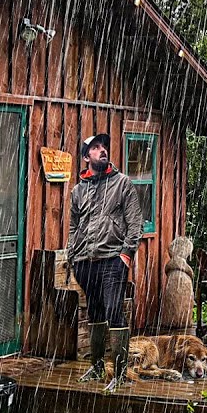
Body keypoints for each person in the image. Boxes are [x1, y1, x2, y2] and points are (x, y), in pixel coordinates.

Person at [66, 132, 143, 391]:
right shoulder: (78, 190)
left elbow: (135, 224)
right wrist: (73, 254)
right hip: (86, 261)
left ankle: (119, 374)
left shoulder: (122, 184)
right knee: (96, 311)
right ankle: (97, 367)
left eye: (104, 147)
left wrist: (125, 255)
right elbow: (74, 225)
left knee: (113, 312)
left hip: (113, 259)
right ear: (87, 157)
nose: (102, 151)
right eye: (96, 148)